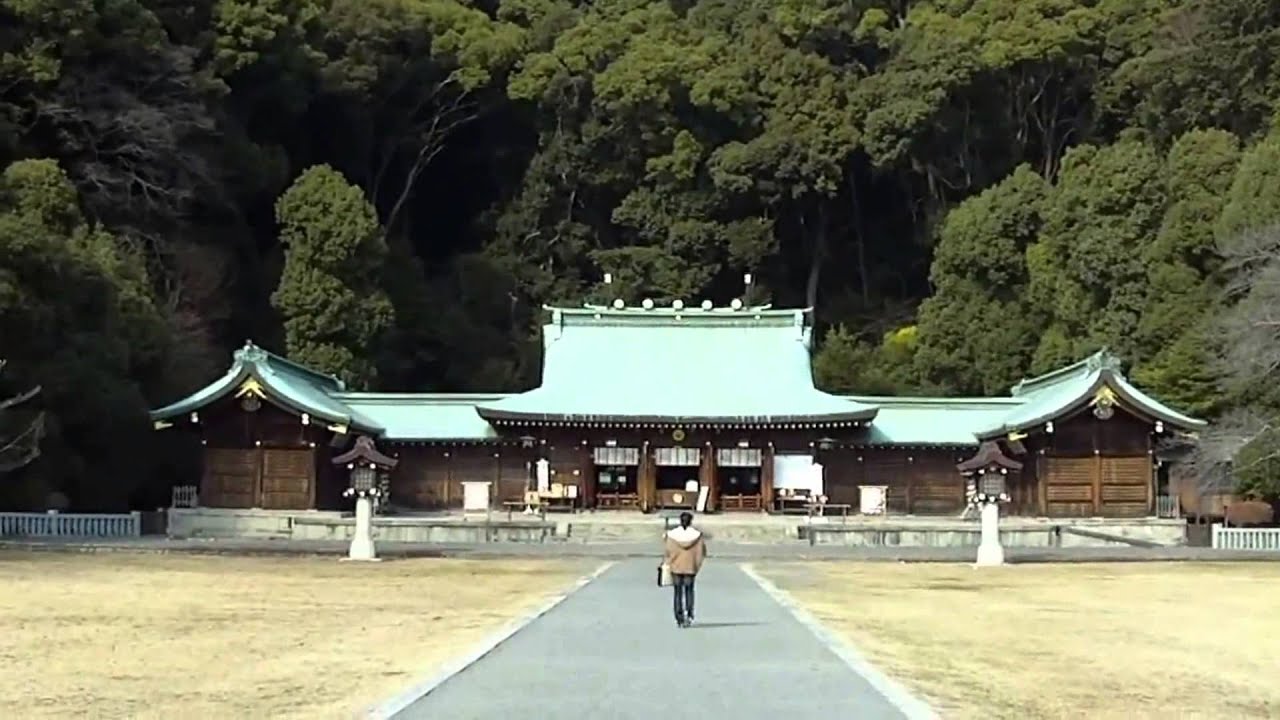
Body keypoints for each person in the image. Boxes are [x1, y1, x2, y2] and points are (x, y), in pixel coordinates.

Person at [663, 511, 707, 628]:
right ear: (690, 521)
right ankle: (689, 614)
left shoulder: (672, 535)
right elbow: (701, 552)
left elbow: (668, 551)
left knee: (677, 592)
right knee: (689, 591)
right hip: (690, 566)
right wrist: (696, 565)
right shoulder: (697, 536)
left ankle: (679, 617)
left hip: (676, 566)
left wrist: (671, 562)